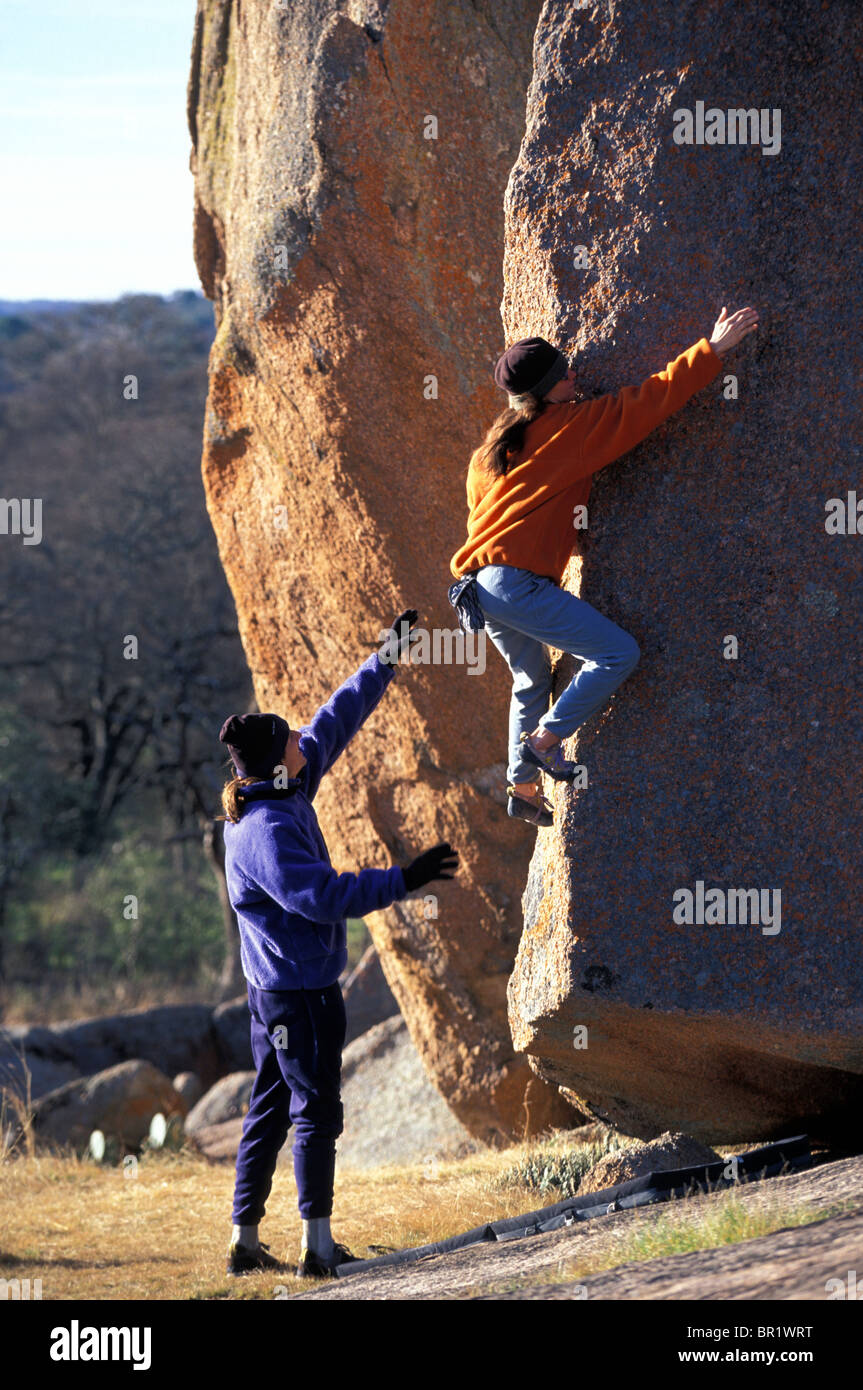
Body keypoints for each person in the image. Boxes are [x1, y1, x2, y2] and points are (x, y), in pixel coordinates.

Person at [218, 609, 459, 1279]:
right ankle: (317, 1250)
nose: (301, 735)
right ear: (275, 759)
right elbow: (321, 897)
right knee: (315, 1109)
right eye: (288, 736)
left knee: (270, 1106)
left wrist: (385, 657)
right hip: (298, 996)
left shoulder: (282, 783)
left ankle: (244, 1242)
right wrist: (402, 879)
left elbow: (333, 719)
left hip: (271, 991)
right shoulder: (265, 829)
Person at [449, 305, 759, 826]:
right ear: (547, 391)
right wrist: (712, 349)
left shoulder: (490, 453)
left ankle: (522, 788)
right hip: (514, 585)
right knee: (618, 654)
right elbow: (648, 402)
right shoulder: (570, 427)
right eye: (564, 373)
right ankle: (547, 739)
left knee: (529, 681)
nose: (575, 375)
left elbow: (495, 516)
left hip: (479, 587)